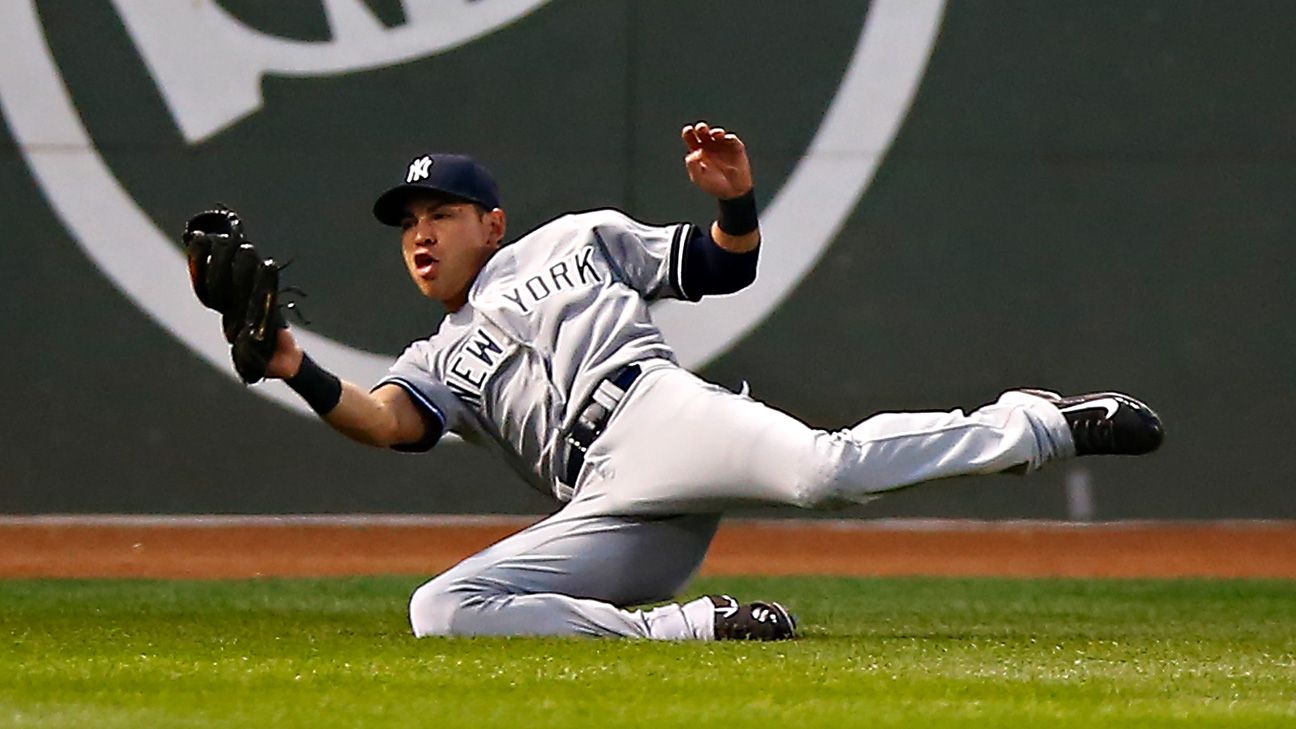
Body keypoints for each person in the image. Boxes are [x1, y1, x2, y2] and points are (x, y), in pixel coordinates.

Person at [261, 121, 1163, 641]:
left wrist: (734, 201)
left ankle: (1039, 425)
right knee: (441, 608)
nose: (421, 233)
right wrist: (294, 366)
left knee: (826, 473)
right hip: (601, 501)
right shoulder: (436, 356)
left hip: (655, 412)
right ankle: (692, 628)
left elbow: (724, 266)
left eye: (441, 214)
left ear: (490, 223)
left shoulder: (573, 239)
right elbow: (385, 422)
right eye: (408, 221)